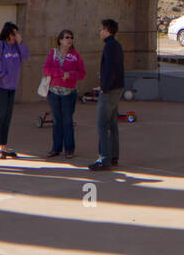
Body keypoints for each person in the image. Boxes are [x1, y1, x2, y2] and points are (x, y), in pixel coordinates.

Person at [0, 21, 29, 160]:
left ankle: (4, 146)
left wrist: (21, 43)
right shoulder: (0, 45)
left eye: (16, 34)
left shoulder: (17, 47)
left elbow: (26, 56)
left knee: (7, 117)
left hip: (12, 87)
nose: (14, 37)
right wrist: (3, 74)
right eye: (13, 34)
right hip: (0, 87)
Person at [42, 30, 85, 159]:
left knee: (67, 121)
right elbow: (46, 70)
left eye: (71, 37)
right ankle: (56, 148)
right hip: (54, 92)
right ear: (60, 40)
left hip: (69, 93)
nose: (69, 40)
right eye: (66, 37)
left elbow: (82, 73)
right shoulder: (53, 53)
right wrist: (60, 73)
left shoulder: (75, 55)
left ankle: (69, 149)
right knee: (57, 121)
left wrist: (71, 75)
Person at [89, 18, 124, 171]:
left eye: (101, 29)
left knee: (102, 124)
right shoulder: (116, 45)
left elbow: (110, 69)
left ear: (107, 30)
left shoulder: (109, 47)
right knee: (112, 123)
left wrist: (104, 87)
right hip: (117, 88)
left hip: (109, 90)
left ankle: (104, 158)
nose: (100, 31)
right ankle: (113, 155)